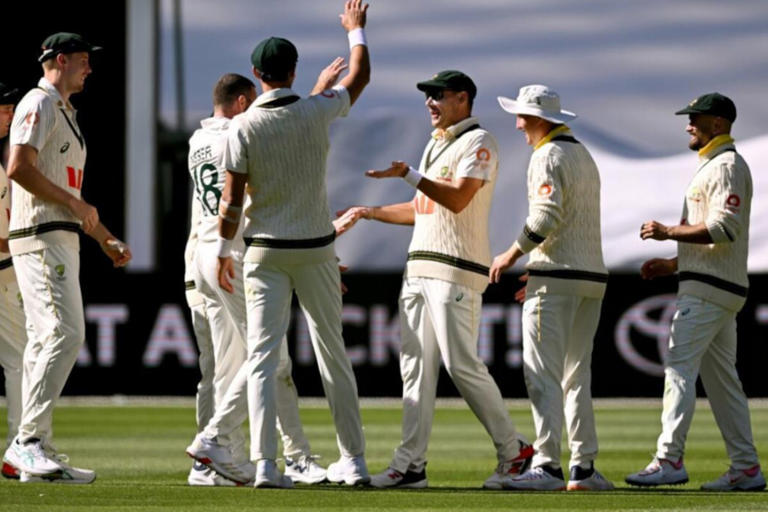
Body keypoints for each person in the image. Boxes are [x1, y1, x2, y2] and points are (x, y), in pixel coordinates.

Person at [335, 70, 533, 490]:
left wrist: (410, 174)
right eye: (427, 96)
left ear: (463, 99)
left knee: (461, 364)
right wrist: (368, 212)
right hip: (419, 269)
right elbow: (421, 207)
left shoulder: (479, 143)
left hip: (456, 268)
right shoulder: (435, 144)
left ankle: (514, 452)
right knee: (415, 369)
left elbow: (459, 198)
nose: (430, 103)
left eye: (437, 95)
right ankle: (411, 464)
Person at [214, 0, 371, 489]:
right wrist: (356, 31)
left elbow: (232, 203)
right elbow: (360, 78)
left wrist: (222, 251)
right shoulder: (314, 111)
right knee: (333, 353)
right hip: (316, 247)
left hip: (264, 251)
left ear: (256, 74)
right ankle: (355, 461)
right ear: (294, 71)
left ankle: (265, 465)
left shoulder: (241, 127)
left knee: (262, 357)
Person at [185, 67, 348, 486]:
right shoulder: (235, 135)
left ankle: (214, 464)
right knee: (271, 360)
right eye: (254, 100)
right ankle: (263, 450)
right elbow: (273, 176)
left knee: (230, 364)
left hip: (204, 255)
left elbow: (277, 128)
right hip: (235, 255)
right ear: (241, 104)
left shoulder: (199, 139)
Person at [1, 33, 131, 484]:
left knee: (46, 340)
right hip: (40, 236)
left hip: (58, 236)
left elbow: (70, 195)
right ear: (59, 60)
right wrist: (76, 209)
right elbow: (18, 167)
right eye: (82, 61)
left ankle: (35, 445)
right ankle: (27, 443)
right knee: (64, 332)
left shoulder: (64, 112)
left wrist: (105, 238)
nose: (89, 68)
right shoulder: (38, 103)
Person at [625, 93, 765, 491]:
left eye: (696, 119)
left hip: (709, 290)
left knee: (678, 368)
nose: (689, 124)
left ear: (718, 124)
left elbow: (725, 229)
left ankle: (669, 459)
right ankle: (746, 468)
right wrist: (673, 263)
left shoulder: (726, 166)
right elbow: (714, 236)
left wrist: (668, 231)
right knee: (723, 383)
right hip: (715, 284)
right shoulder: (716, 165)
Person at [488, 85, 613, 491]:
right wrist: (540, 266)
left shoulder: (547, 154)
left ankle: (547, 465)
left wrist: (512, 254)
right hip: (589, 278)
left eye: (523, 116)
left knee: (542, 373)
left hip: (558, 279)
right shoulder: (583, 154)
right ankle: (585, 467)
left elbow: (547, 215)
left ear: (541, 119)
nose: (518, 124)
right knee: (577, 375)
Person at [0, 82, 27, 480]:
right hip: (7, 265)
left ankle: (20, 447)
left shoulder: (8, 154)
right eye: (3, 108)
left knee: (21, 360)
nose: (9, 115)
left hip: (7, 271)